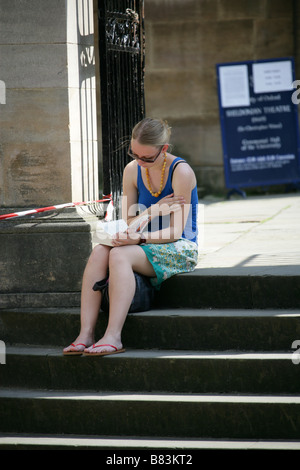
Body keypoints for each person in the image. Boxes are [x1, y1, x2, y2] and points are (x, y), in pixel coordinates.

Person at [63, 117, 198, 356]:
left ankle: (113, 336)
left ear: (163, 149)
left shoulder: (181, 171)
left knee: (119, 256)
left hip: (180, 247)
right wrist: (151, 212)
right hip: (142, 242)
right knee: (99, 252)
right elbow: (129, 223)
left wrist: (138, 239)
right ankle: (85, 334)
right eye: (134, 154)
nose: (140, 161)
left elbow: (176, 233)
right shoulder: (132, 170)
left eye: (147, 158)